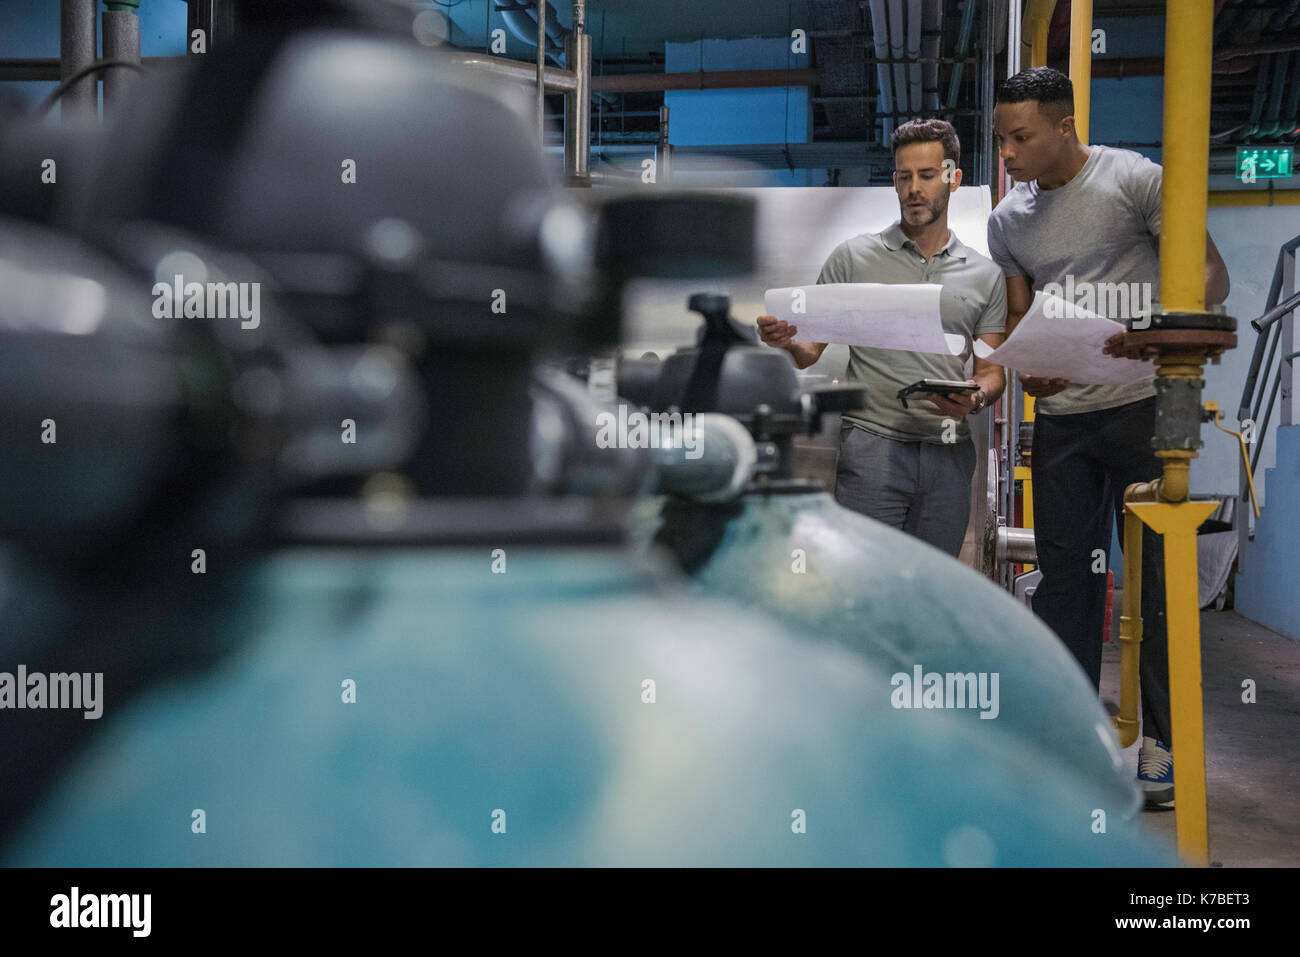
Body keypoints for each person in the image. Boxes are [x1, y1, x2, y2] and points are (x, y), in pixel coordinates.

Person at [988, 67, 1230, 808]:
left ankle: (1161, 743)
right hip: (1063, 423)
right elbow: (1025, 321)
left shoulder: (1135, 181)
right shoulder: (1009, 221)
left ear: (1066, 126)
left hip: (1145, 407)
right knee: (1066, 585)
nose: (1009, 153)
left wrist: (1145, 333)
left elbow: (1211, 280)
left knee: (1156, 583)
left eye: (1021, 137)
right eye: (1001, 139)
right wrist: (1037, 374)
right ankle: (1070, 738)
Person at [757, 118, 1006, 558]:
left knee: (932, 586)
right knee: (863, 580)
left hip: (948, 451)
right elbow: (808, 355)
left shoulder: (985, 276)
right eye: (904, 176)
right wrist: (787, 341)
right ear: (893, 181)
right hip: (872, 445)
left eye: (927, 175)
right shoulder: (853, 258)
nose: (914, 188)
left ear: (954, 178)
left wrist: (976, 399)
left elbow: (991, 374)